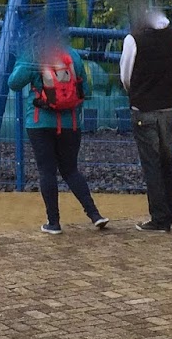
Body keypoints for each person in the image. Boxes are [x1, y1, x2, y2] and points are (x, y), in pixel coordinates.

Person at [8, 29, 110, 235]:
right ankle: (95, 215)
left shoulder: (34, 55)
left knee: (47, 171)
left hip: (39, 122)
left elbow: (14, 83)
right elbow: (85, 92)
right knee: (71, 170)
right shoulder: (73, 55)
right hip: (70, 123)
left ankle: (53, 223)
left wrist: (28, 60)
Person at [120, 4, 172, 232]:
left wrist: (137, 93)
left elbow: (125, 76)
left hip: (144, 108)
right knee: (167, 160)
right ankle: (171, 209)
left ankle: (159, 217)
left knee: (151, 164)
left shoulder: (134, 39)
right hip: (168, 108)